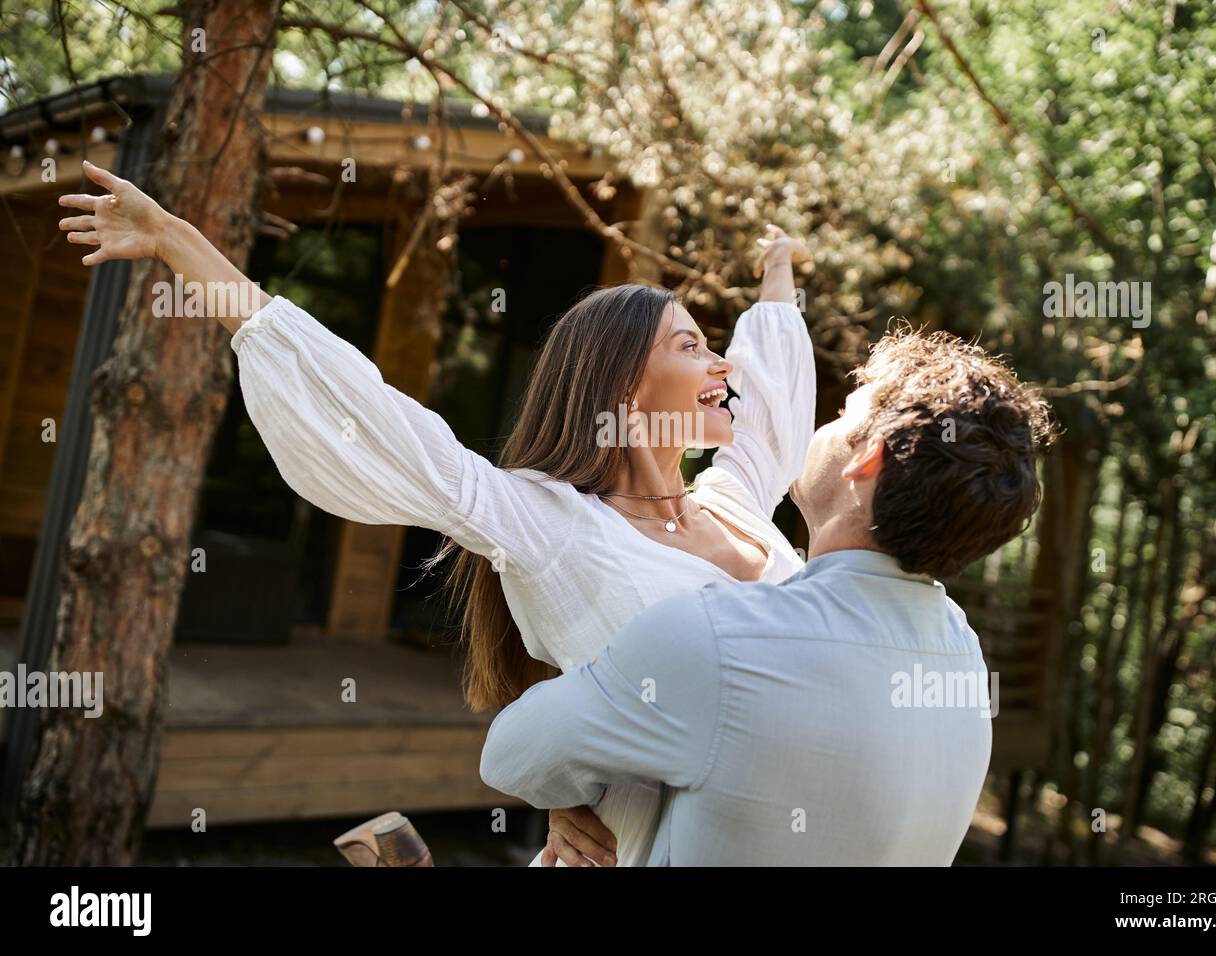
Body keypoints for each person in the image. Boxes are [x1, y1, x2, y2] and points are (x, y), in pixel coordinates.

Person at [58, 159, 817, 866]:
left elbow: (774, 393)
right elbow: (385, 425)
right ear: (623, 389)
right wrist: (178, 244)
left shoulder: (738, 503)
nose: (720, 363)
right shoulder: (556, 526)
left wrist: (778, 268)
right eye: (691, 345)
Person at [480, 328, 1055, 865]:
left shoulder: (718, 638)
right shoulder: (963, 662)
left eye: (841, 414)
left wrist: (577, 782)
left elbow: (512, 754)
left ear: (867, 460)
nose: (820, 429)